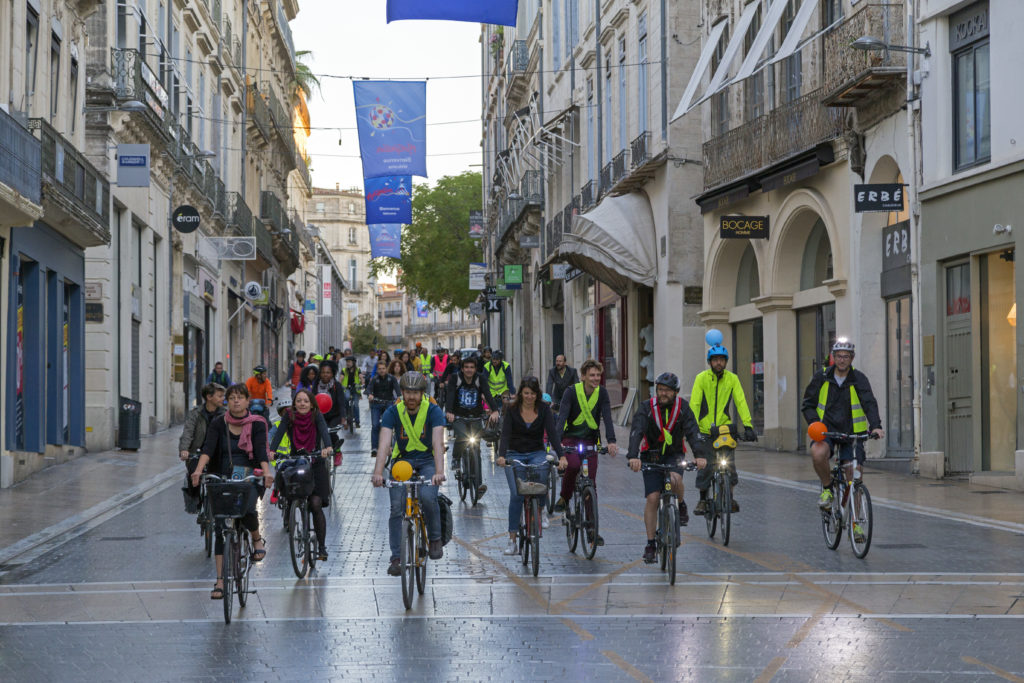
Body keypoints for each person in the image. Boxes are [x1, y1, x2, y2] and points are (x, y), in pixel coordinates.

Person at [191, 383, 274, 600]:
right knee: (220, 527)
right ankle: (220, 581)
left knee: (248, 510)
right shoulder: (219, 423)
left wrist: (266, 473)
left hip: (250, 476)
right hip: (223, 476)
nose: (236, 401)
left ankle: (256, 538)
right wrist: (198, 470)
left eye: (240, 397)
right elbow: (208, 448)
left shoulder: (257, 423)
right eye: (232, 398)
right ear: (227, 402)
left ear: (247, 401)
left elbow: (261, 451)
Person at [801, 338, 884, 540]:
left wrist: (876, 426)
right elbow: (808, 404)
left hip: (852, 434)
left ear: (852, 358)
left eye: (846, 356)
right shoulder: (822, 377)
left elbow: (869, 403)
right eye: (838, 356)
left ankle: (856, 524)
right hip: (826, 431)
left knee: (855, 476)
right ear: (833, 357)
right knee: (817, 453)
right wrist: (815, 424)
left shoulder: (859, 379)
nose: (842, 360)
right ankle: (827, 489)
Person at [371, 372, 448, 575]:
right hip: (402, 461)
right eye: (407, 392)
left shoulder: (433, 410)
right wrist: (378, 473)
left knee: (428, 497)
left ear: (422, 393)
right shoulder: (393, 411)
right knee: (397, 508)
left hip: (427, 461)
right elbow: (384, 444)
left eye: (415, 392)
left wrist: (439, 472)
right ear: (402, 393)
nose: (411, 397)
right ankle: (397, 558)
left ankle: (434, 538)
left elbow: (438, 443)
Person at [627, 373, 708, 562]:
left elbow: (693, 431)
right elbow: (637, 431)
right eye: (660, 389)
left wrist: (699, 455)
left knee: (675, 479)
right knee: (653, 498)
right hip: (651, 455)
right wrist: (633, 456)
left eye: (667, 390)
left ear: (676, 392)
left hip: (674, 455)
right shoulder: (646, 407)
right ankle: (650, 544)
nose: (663, 393)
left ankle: (681, 503)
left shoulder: (683, 408)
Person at [553, 359, 619, 547]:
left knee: (591, 483)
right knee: (573, 465)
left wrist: (611, 441)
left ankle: (592, 531)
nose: (596, 378)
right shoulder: (571, 392)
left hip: (590, 441)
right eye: (592, 375)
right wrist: (558, 445)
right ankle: (565, 497)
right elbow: (562, 417)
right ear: (583, 376)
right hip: (570, 440)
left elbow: (607, 417)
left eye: (598, 375)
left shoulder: (602, 393)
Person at [496, 377, 562, 555]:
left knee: (542, 476)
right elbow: (505, 434)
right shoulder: (512, 409)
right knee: (517, 495)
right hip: (514, 454)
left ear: (537, 394)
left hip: (536, 453)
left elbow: (553, 434)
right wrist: (501, 456)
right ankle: (512, 540)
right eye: (526, 393)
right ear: (521, 393)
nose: (529, 397)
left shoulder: (544, 409)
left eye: (533, 393)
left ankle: (540, 510)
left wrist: (562, 455)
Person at [690, 344, 757, 516]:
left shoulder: (732, 379)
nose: (718, 363)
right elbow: (695, 404)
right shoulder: (701, 378)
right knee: (706, 466)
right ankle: (703, 499)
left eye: (721, 360)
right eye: (715, 360)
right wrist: (692, 427)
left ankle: (730, 497)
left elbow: (741, 401)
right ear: (710, 362)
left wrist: (748, 425)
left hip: (724, 430)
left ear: (726, 362)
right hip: (705, 431)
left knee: (730, 466)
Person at [269, 389, 334, 560]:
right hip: (296, 460)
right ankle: (290, 514)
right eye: (299, 401)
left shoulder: (316, 415)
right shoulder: (289, 415)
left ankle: (321, 547)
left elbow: (324, 431)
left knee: (315, 503)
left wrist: (327, 447)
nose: (302, 404)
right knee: (291, 493)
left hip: (315, 461)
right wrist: (272, 450)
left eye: (306, 401)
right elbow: (280, 433)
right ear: (294, 403)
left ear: (311, 404)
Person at [445, 354, 501, 497]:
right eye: (466, 367)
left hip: (476, 417)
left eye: (472, 367)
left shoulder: (480, 378)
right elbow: (450, 395)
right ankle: (456, 458)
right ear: (462, 369)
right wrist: (449, 412)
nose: (469, 370)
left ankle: (478, 485)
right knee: (462, 436)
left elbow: (487, 394)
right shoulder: (455, 378)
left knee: (476, 448)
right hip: (459, 417)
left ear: (475, 369)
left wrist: (495, 410)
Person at [179, 383, 226, 507]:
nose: (223, 399)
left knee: (223, 477)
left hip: (218, 453)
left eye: (223, 396)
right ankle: (195, 500)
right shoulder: (196, 414)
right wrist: (184, 449)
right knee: (194, 475)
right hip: (198, 452)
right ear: (209, 397)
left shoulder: (225, 414)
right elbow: (188, 432)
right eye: (220, 396)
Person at [316, 359, 349, 465]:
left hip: (335, 415)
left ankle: (337, 452)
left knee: (331, 432)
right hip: (320, 415)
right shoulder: (316, 385)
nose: (325, 375)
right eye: (323, 372)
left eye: (328, 372)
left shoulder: (337, 386)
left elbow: (341, 403)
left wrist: (343, 418)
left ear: (332, 373)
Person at [367, 359, 401, 452]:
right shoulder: (374, 379)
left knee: (391, 424)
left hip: (388, 402)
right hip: (376, 403)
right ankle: (374, 447)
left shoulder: (392, 378)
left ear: (386, 369)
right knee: (375, 425)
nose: (382, 370)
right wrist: (370, 395)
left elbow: (398, 391)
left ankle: (391, 445)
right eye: (380, 369)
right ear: (377, 370)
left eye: (383, 368)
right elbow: (369, 389)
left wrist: (399, 398)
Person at [340, 356, 362, 428]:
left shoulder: (358, 370)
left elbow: (361, 377)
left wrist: (362, 383)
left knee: (356, 405)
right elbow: (341, 378)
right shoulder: (344, 370)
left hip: (355, 389)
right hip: (346, 388)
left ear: (353, 363)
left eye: (349, 362)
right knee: (346, 398)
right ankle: (347, 416)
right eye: (347, 362)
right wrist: (339, 384)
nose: (347, 363)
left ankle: (357, 422)